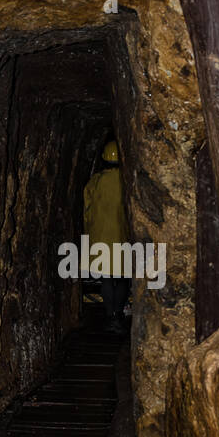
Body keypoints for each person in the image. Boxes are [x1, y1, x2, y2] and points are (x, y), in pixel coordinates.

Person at [83, 137, 130, 334]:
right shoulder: (127, 181)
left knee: (107, 279)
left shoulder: (96, 182)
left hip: (100, 237)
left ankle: (110, 315)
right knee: (123, 278)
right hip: (123, 236)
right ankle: (117, 315)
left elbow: (86, 210)